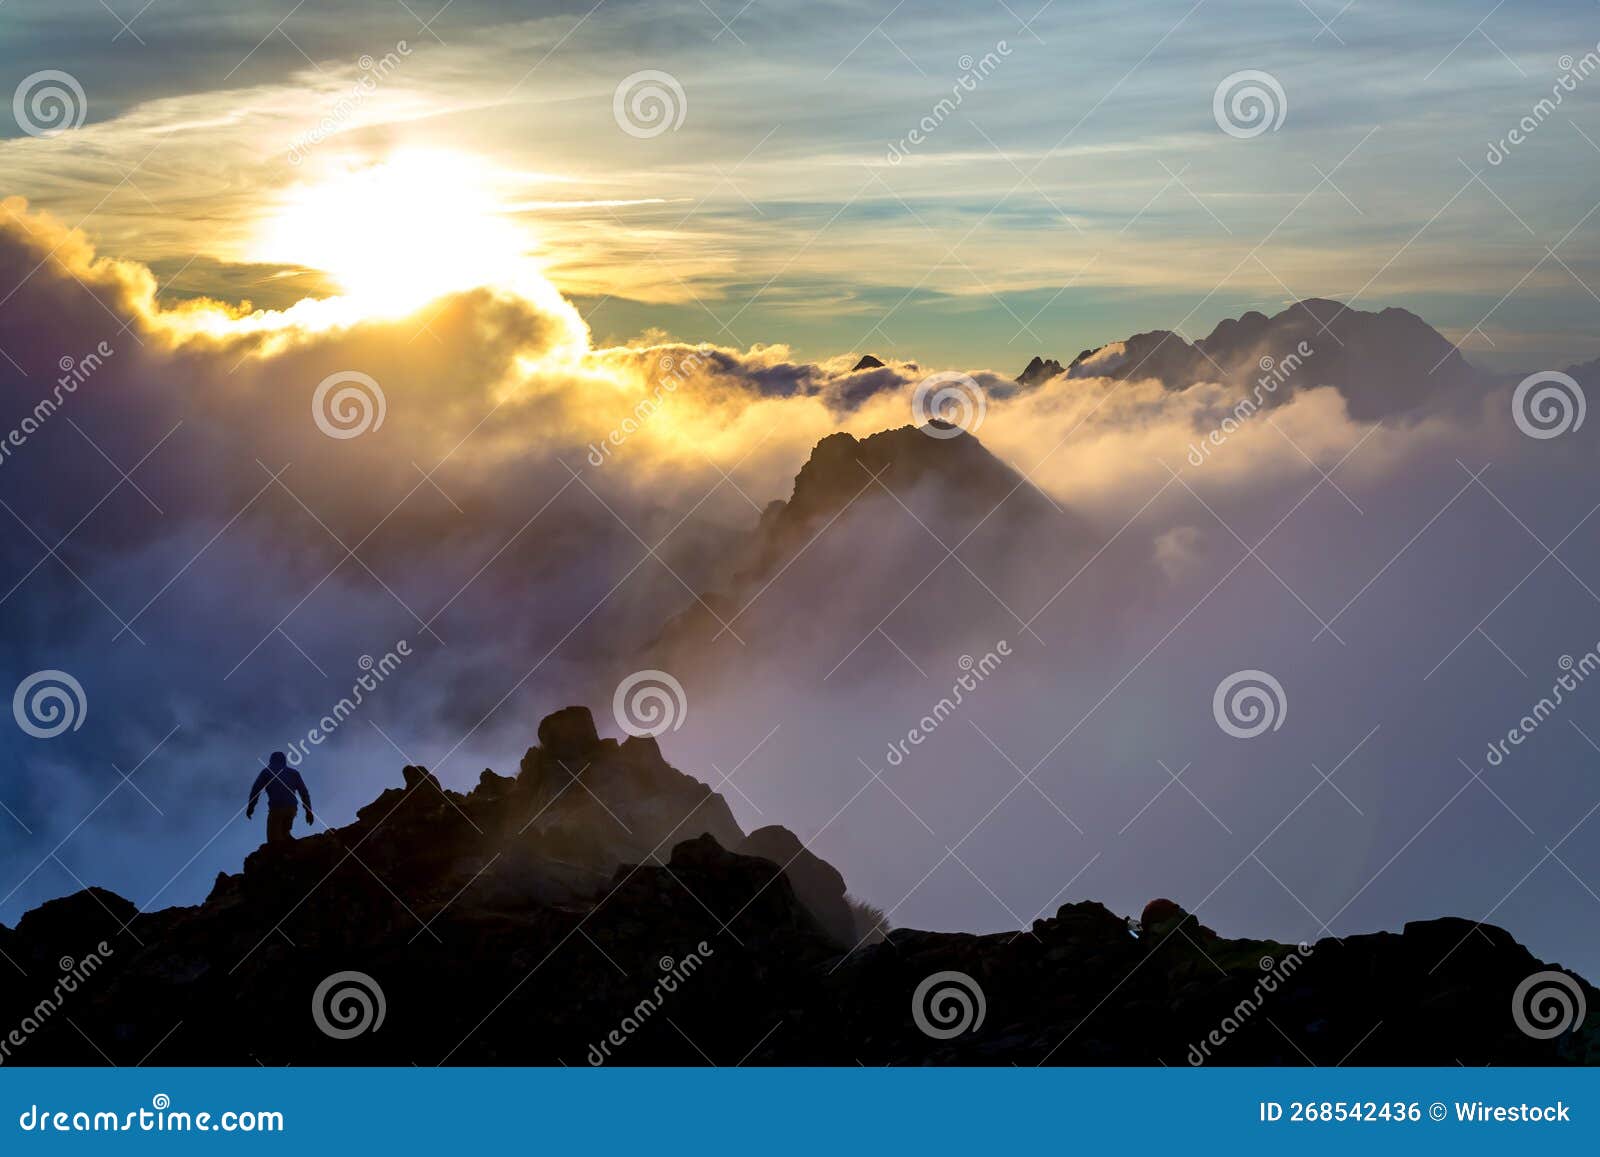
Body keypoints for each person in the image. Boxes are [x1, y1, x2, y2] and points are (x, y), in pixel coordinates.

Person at [247, 752, 314, 844]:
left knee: (274, 842)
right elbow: (304, 793)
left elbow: (256, 790)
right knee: (285, 835)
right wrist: (308, 811)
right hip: (291, 809)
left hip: (276, 809)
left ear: (271, 761)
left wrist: (251, 807)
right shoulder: (294, 773)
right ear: (284, 761)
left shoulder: (266, 772)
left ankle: (281, 855)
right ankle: (292, 851)